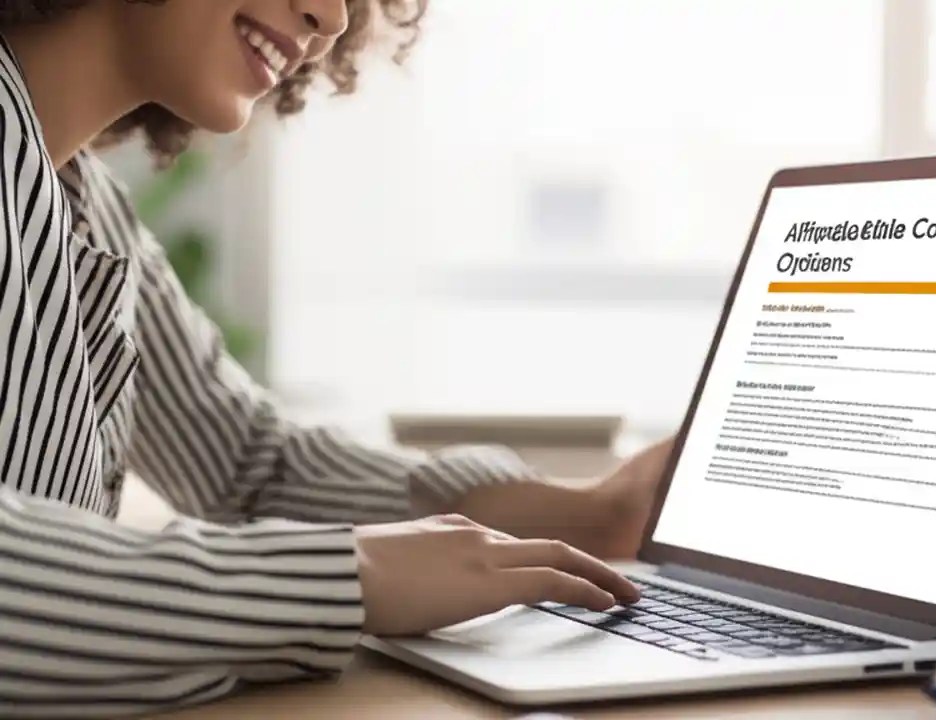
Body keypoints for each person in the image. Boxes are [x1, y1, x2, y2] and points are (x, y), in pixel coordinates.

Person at [0, 1, 672, 716]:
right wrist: (349, 577)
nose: (330, 18)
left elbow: (244, 463)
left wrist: (582, 517)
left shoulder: (85, 201)